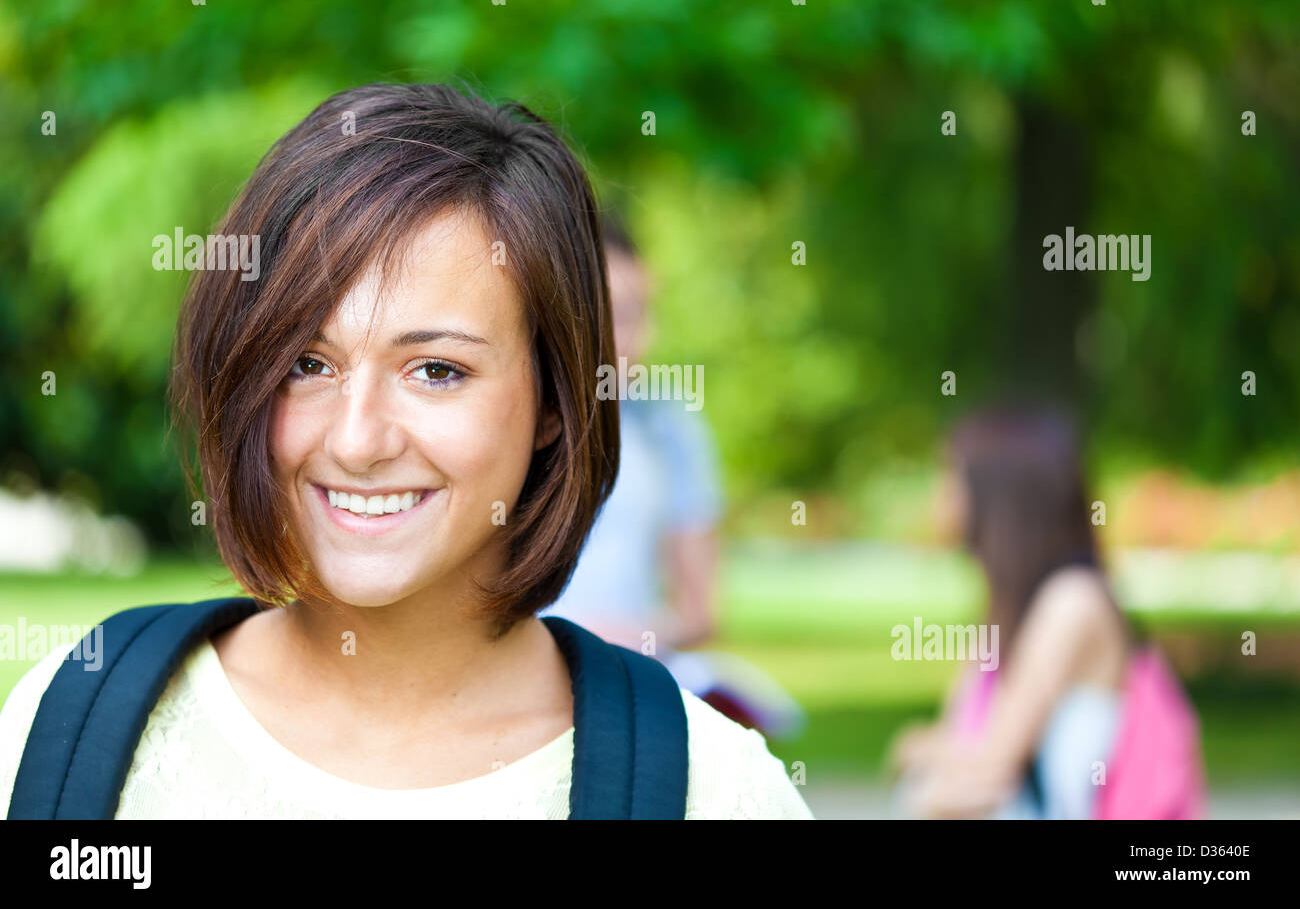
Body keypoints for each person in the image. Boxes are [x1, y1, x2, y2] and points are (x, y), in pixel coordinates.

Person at [0, 83, 812, 819]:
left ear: (555, 406)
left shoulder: (712, 791)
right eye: (307, 364)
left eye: (436, 371)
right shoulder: (74, 732)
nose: (357, 441)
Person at [540, 216, 806, 739]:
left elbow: (701, 611)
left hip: (624, 689)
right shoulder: (503, 427)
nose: (636, 339)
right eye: (612, 315)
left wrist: (612, 637)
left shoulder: (672, 432)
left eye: (640, 314)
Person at [888, 407, 1206, 819]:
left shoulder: (1072, 602)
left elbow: (989, 762)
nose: (939, 498)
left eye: (951, 479)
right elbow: (959, 743)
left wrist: (918, 755)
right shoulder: (1007, 610)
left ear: (1000, 498)